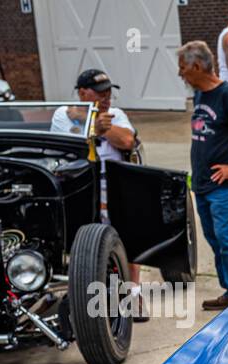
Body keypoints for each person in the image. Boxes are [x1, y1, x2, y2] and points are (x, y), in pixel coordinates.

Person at [51, 69, 145, 313]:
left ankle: (133, 294)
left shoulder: (117, 114)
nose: (106, 97)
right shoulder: (63, 114)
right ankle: (86, 296)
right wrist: (91, 124)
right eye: (100, 93)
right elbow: (66, 145)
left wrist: (99, 125)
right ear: (83, 93)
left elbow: (126, 141)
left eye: (109, 92)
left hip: (115, 184)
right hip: (81, 187)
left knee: (129, 236)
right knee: (82, 241)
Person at [177, 40, 228, 311]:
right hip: (202, 183)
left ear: (198, 66)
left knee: (226, 236)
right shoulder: (201, 94)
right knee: (214, 238)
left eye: (183, 68)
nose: (181, 74)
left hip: (223, 185)